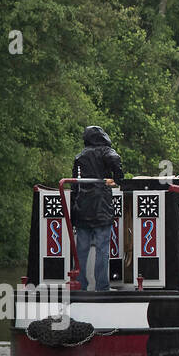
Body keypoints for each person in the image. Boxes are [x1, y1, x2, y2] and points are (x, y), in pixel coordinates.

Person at [71, 125, 125, 291]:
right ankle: (102, 286)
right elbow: (115, 159)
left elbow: (75, 187)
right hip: (102, 207)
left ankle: (80, 284)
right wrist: (117, 178)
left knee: (81, 250)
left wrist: (74, 212)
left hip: (82, 208)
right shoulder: (106, 152)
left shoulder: (79, 157)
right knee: (102, 249)